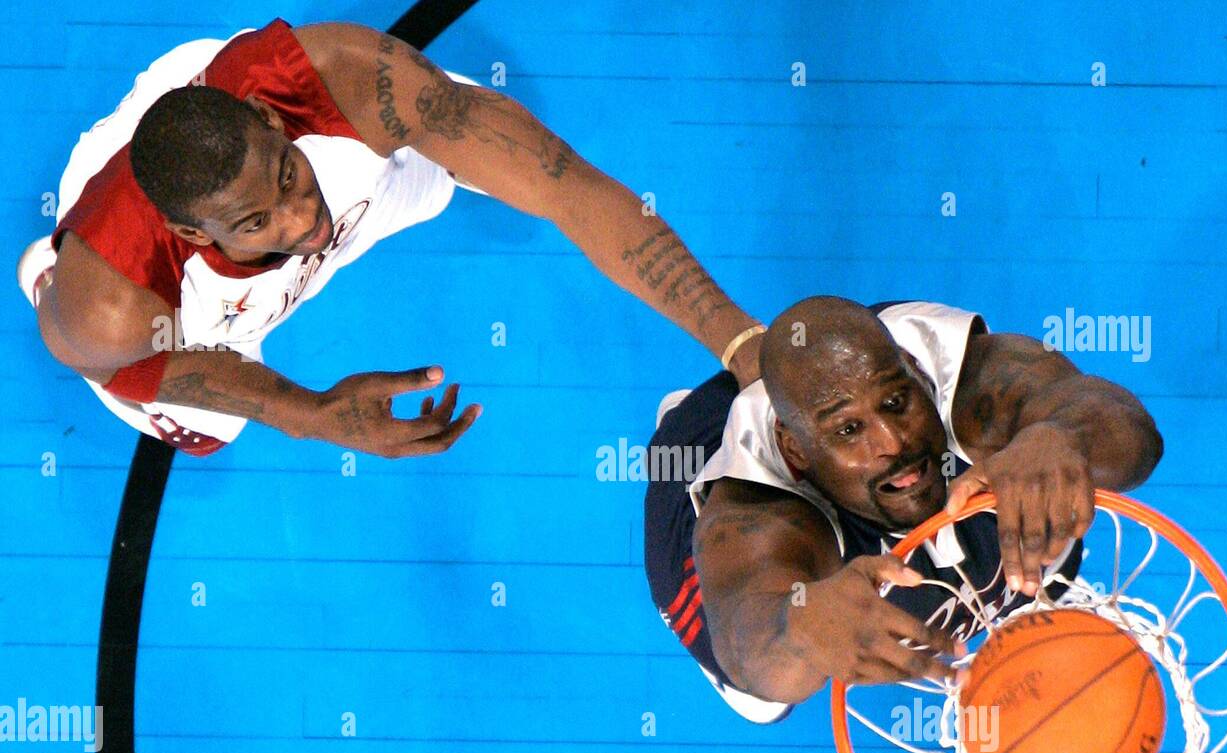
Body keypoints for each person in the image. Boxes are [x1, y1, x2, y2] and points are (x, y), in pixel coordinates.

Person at [17, 18, 765, 456]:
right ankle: (45, 270)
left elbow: (567, 185)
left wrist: (739, 341)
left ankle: (263, 180)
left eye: (285, 176)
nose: (299, 219)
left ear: (274, 124)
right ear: (189, 230)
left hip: (235, 121)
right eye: (259, 222)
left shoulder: (336, 78)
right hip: (171, 301)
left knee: (459, 149)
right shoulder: (111, 306)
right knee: (214, 433)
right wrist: (311, 414)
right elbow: (138, 371)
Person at [644, 297, 1163, 723]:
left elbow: (1131, 437)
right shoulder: (758, 513)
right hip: (695, 489)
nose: (890, 440)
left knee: (1045, 490)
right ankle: (707, 411)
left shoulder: (968, 377)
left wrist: (1058, 434)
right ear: (797, 452)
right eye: (850, 431)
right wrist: (798, 625)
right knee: (769, 697)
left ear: (916, 373)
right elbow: (749, 645)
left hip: (839, 389)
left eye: (897, 404)